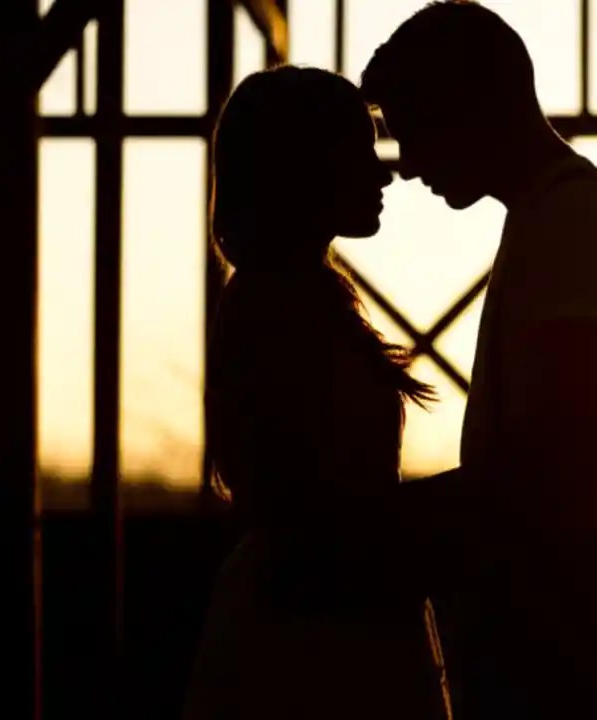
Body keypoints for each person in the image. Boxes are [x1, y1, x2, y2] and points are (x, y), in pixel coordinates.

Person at [360, 2, 597, 717]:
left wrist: (374, 526)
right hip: (565, 596)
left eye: (416, 132)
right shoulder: (556, 217)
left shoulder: (572, 225)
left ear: (467, 108)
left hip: (566, 604)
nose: (407, 168)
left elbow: (554, 456)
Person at [182, 65, 450, 720]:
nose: (384, 173)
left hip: (316, 609)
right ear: (303, 168)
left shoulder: (293, 299)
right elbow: (316, 504)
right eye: (361, 153)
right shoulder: (283, 308)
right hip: (319, 625)